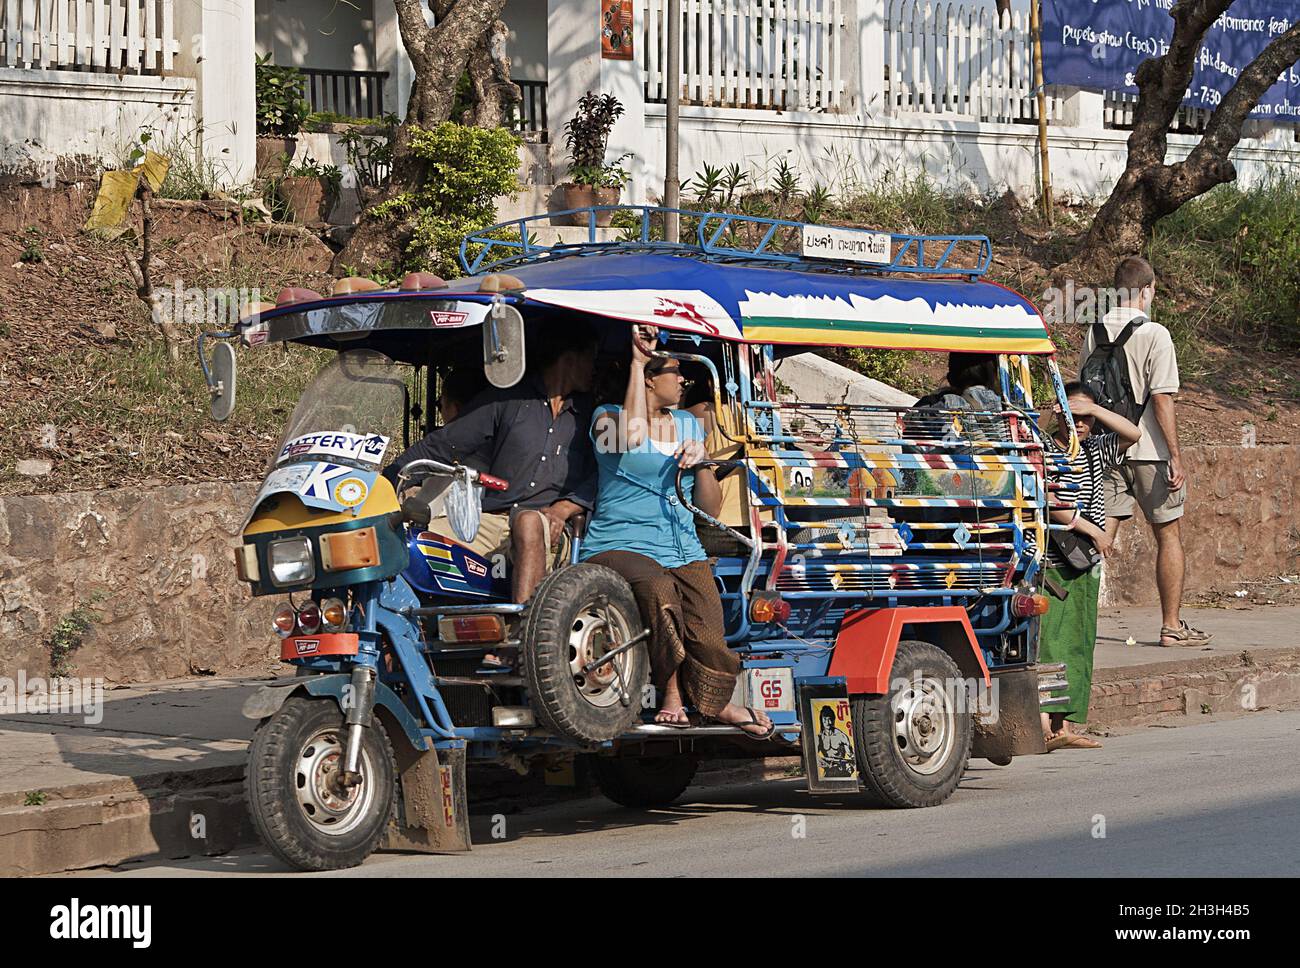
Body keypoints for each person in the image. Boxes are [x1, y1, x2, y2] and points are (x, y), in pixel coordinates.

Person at [581, 325, 775, 737]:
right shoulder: (606, 419)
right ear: (650, 379)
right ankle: (670, 695)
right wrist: (636, 361)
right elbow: (632, 437)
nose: (683, 378)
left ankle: (716, 703)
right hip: (620, 541)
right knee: (658, 590)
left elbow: (709, 508)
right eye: (673, 371)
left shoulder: (688, 423)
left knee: (708, 619)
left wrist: (703, 461)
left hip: (682, 543)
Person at [384, 321, 599, 604]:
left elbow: (604, 474)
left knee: (528, 521)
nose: (595, 369)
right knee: (407, 543)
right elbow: (442, 445)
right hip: (491, 520)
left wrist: (565, 507)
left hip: (547, 527)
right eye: (591, 359)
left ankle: (523, 638)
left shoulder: (590, 415)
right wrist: (385, 484)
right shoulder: (507, 400)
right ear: (571, 359)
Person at [1081, 256, 1211, 648]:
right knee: (1168, 535)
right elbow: (1162, 401)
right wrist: (1176, 455)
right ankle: (1171, 626)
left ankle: (1079, 626)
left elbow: (1085, 396)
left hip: (1107, 449)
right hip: (1150, 451)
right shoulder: (1156, 333)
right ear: (1146, 290)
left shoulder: (1094, 332)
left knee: (1097, 536)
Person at [1040, 382, 1141, 750]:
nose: (1078, 423)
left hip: (1087, 559)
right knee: (1051, 641)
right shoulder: (1046, 449)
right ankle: (1042, 726)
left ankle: (1063, 726)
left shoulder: (1096, 449)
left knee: (1079, 642)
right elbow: (1049, 501)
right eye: (1073, 416)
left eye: (1084, 418)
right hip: (1055, 557)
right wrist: (1094, 531)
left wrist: (1093, 410)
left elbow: (1134, 432)